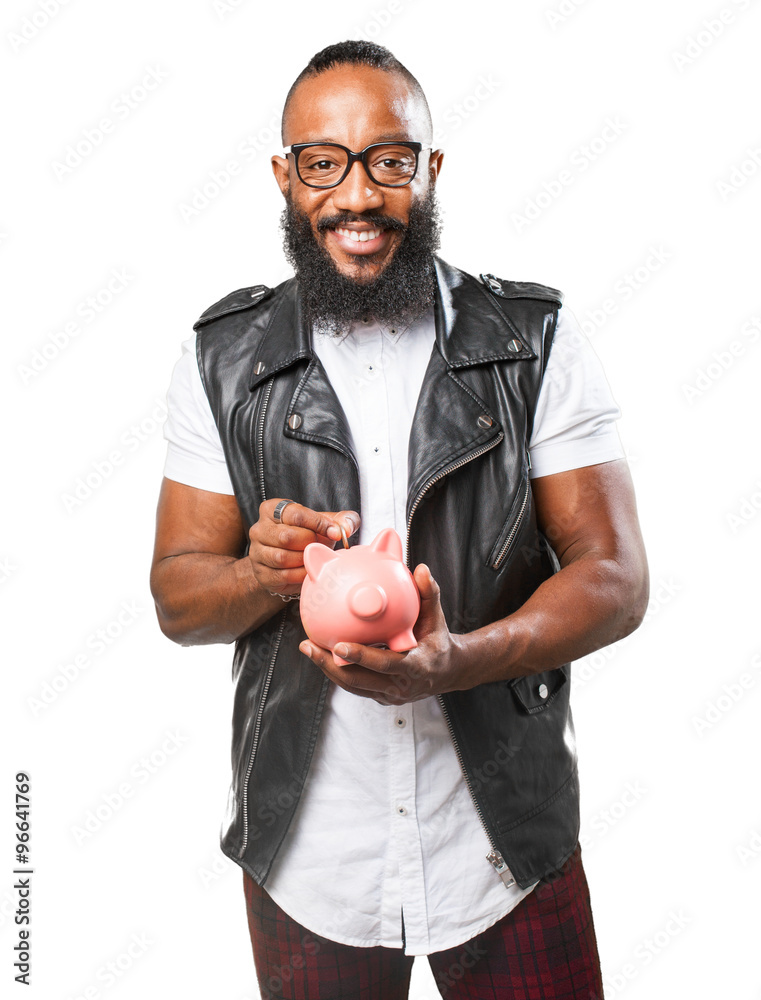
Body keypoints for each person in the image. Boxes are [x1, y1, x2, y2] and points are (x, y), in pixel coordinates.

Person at [150, 39, 649, 1000]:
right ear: (285, 177)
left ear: (429, 169)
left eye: (390, 160)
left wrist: (461, 659)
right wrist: (262, 575)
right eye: (323, 163)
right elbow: (179, 598)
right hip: (311, 855)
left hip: (506, 841)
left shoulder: (530, 342)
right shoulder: (223, 360)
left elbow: (615, 579)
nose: (357, 197)